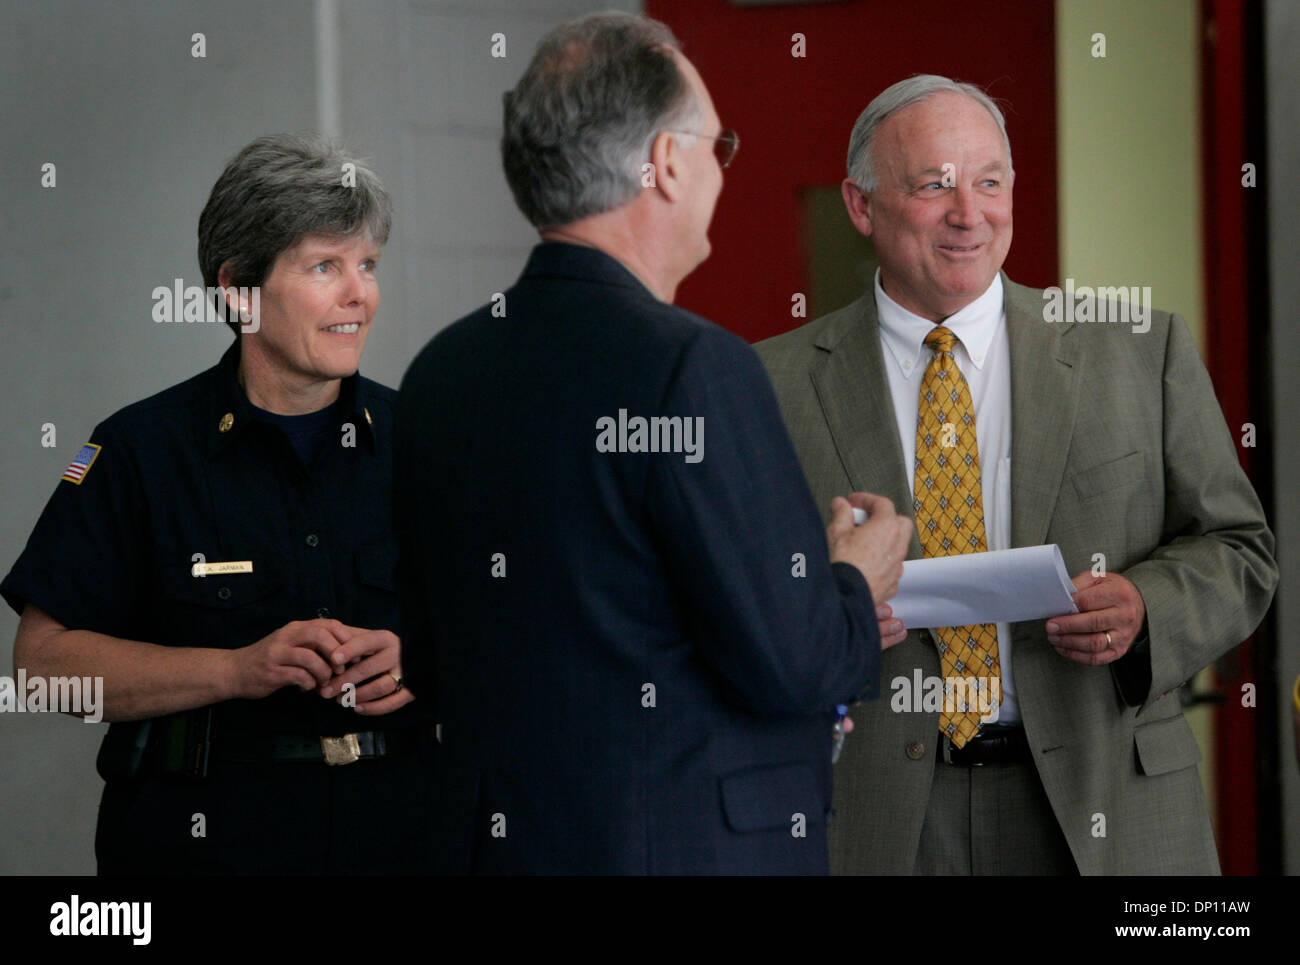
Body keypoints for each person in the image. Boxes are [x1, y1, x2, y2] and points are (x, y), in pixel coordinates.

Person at [394, 11, 913, 875]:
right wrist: (855, 575)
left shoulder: (437, 372)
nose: (721, 170)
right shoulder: (694, 367)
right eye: (720, 146)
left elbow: (431, 661)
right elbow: (797, 661)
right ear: (667, 164)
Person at [756, 75, 1278, 875]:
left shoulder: (1140, 348)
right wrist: (831, 601)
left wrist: (1146, 607)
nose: (970, 213)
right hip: (876, 818)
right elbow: (727, 600)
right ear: (861, 206)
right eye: (934, 185)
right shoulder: (769, 385)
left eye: (989, 181)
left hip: (1106, 805)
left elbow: (1241, 550)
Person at [2, 133, 438, 875]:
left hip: (398, 836)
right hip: (208, 847)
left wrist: (422, 658)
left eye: (366, 265)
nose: (358, 293)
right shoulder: (139, 451)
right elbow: (43, 670)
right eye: (325, 266)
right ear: (238, 288)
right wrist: (236, 670)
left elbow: (519, 634)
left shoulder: (428, 441)